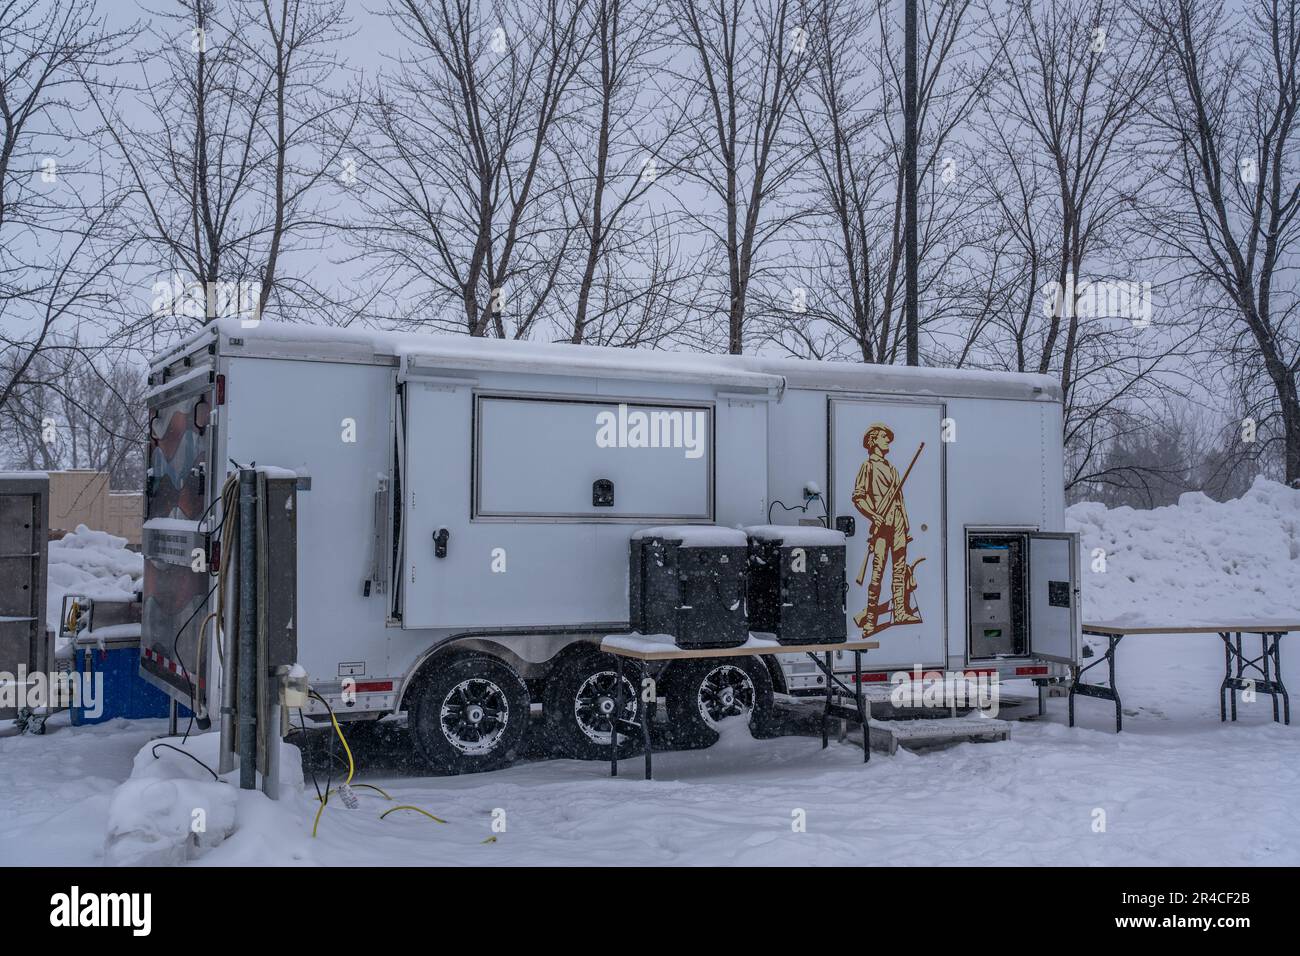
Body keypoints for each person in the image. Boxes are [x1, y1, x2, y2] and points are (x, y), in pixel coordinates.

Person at [852, 423, 921, 636]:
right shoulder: (868, 466)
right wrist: (874, 516)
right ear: (873, 441)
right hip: (882, 525)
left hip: (898, 523)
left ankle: (900, 611)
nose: (887, 441)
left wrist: (905, 525)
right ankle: (871, 620)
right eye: (884, 437)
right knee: (877, 573)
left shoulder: (893, 469)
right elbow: (858, 496)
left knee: (899, 569)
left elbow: (900, 500)